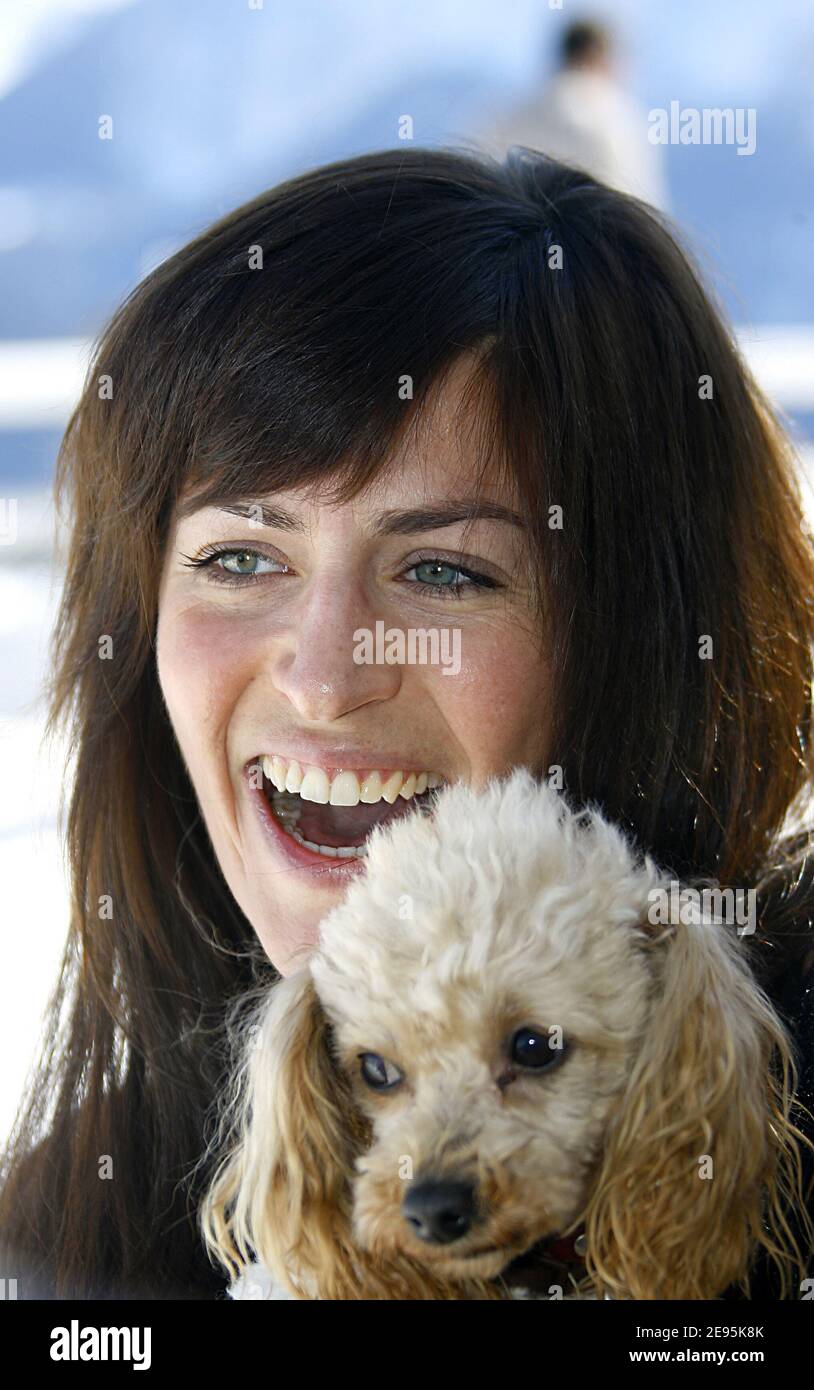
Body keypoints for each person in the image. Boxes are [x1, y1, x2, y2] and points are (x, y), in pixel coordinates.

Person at [0, 145, 811, 1300]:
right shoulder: (66, 1227)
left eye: (441, 572)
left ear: (643, 628)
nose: (326, 678)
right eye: (239, 555)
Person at [480, 18, 668, 209]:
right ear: (600, 57)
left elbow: (479, 177)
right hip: (593, 233)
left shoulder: (510, 111)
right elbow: (639, 206)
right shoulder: (619, 120)